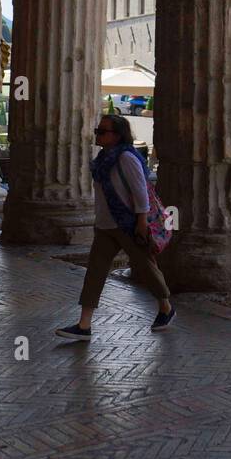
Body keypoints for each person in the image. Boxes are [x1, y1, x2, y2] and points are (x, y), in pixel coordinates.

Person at [55, 114, 174, 341]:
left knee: (146, 267)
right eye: (97, 130)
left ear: (117, 135)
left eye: (102, 131)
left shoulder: (127, 157)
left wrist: (141, 222)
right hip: (105, 225)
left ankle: (166, 306)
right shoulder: (103, 158)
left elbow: (140, 192)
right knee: (95, 273)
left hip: (128, 224)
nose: (97, 135)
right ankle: (84, 325)